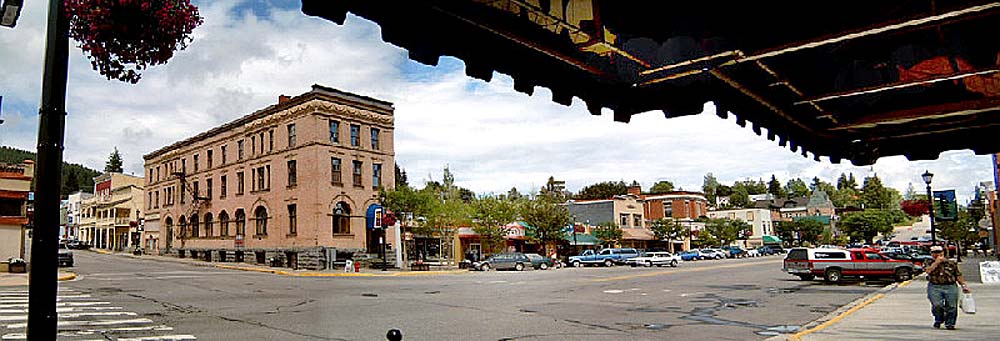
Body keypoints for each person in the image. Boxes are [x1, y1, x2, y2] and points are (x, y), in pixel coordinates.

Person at [923, 245, 971, 330]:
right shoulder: (928, 262)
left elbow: (958, 275)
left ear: (943, 253)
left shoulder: (951, 263)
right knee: (937, 305)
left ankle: (950, 323)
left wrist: (963, 285)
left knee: (952, 306)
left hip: (950, 286)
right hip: (935, 286)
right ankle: (939, 319)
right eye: (934, 252)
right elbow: (928, 271)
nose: (937, 254)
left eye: (939, 252)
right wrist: (936, 263)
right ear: (931, 254)